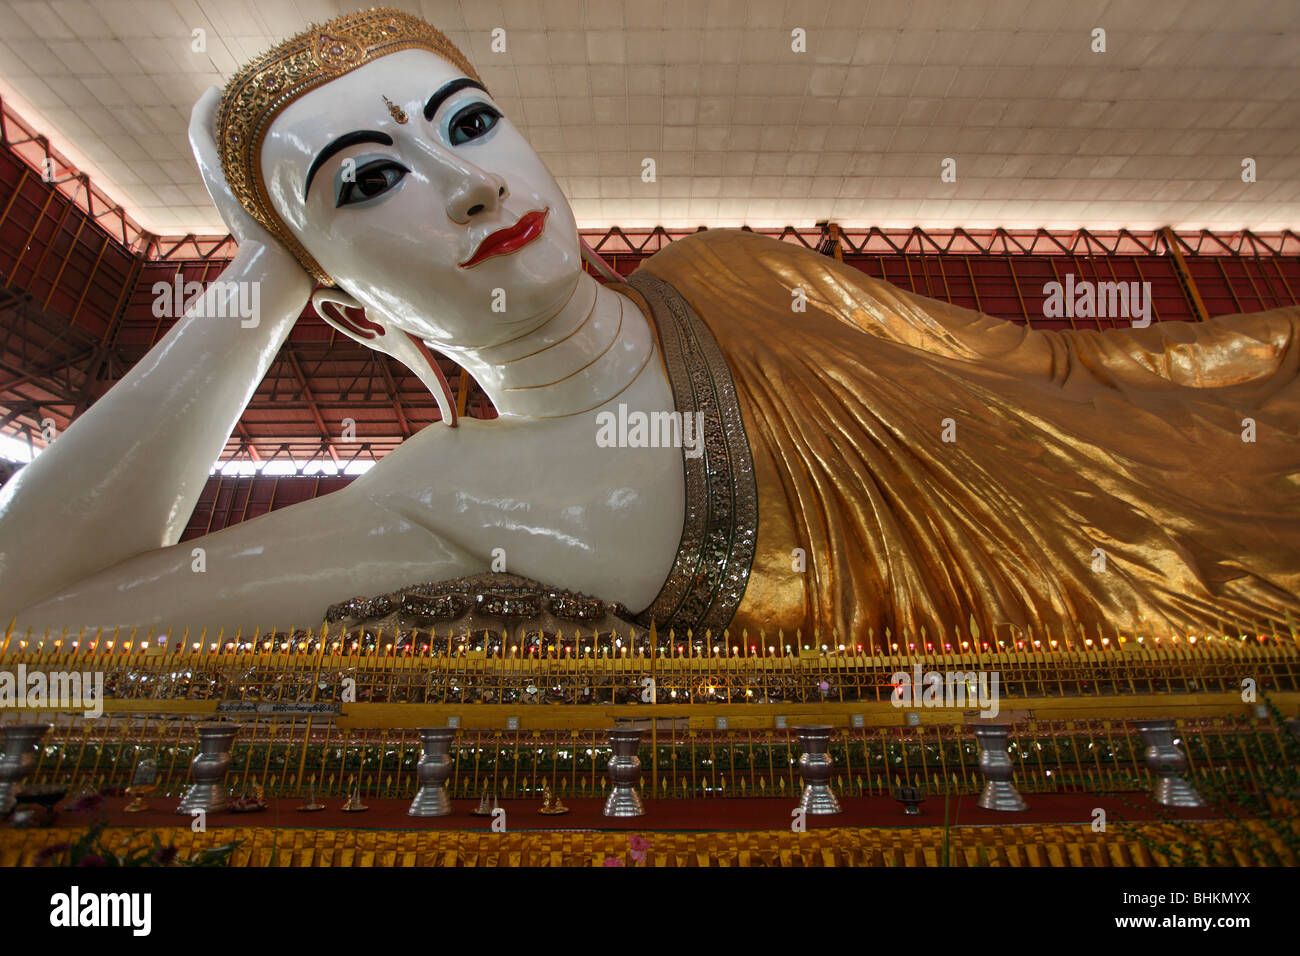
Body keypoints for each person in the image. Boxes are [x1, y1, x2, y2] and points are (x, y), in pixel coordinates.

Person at [1, 8, 1296, 649]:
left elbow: (1062, 372)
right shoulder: (455, 492)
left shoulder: (735, 275)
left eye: (467, 124)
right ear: (347, 305)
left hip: (1208, 510)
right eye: (370, 181)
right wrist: (257, 282)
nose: (474, 185)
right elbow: (31, 623)